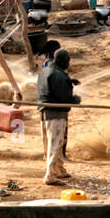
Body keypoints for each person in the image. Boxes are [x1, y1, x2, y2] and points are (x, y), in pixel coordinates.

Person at [37, 48, 79, 185]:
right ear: (61, 60)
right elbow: (63, 97)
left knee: (55, 144)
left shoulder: (45, 71)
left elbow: (52, 87)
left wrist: (69, 81)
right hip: (56, 114)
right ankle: (49, 175)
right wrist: (75, 100)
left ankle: (59, 170)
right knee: (55, 145)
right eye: (67, 61)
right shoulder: (58, 76)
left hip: (45, 112)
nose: (68, 64)